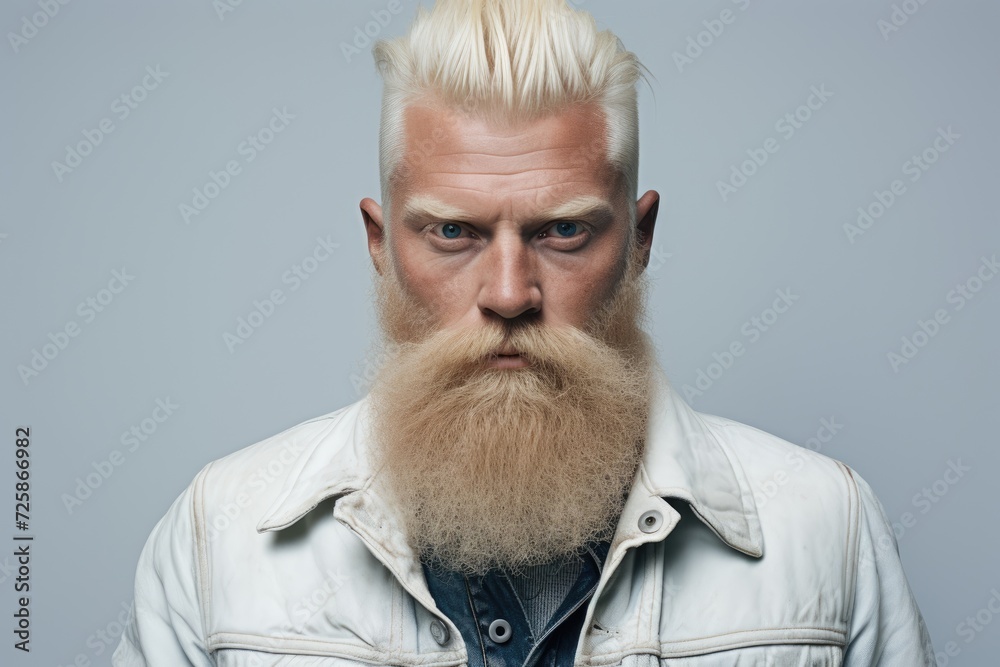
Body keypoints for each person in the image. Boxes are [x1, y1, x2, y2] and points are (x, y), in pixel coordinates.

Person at [114, 1, 936, 664]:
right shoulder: (216, 539)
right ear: (380, 244)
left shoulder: (827, 528)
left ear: (640, 241)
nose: (509, 293)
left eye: (564, 232)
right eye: (452, 234)